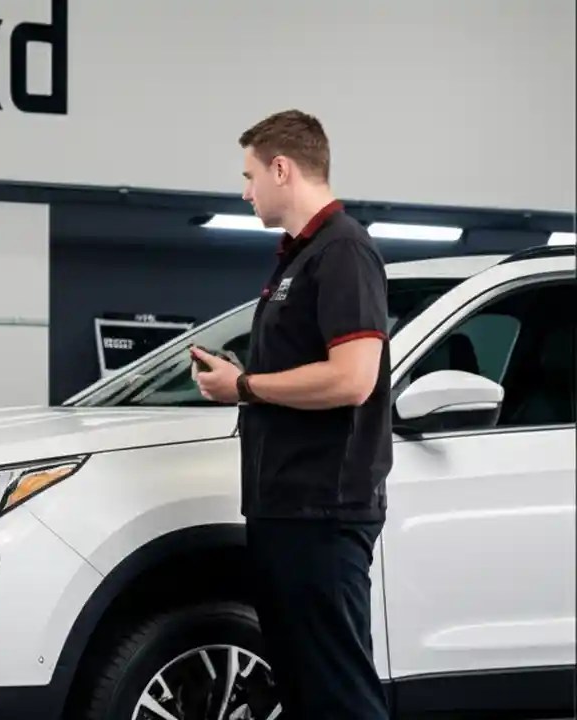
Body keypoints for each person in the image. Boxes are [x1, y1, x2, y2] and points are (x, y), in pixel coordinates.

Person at [191, 109, 392, 719]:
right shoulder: (298, 259)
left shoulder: (344, 252)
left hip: (322, 513)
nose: (245, 190)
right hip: (285, 509)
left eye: (250, 175)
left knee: (339, 695)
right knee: (305, 693)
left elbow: (354, 378)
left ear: (283, 169)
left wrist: (244, 385)